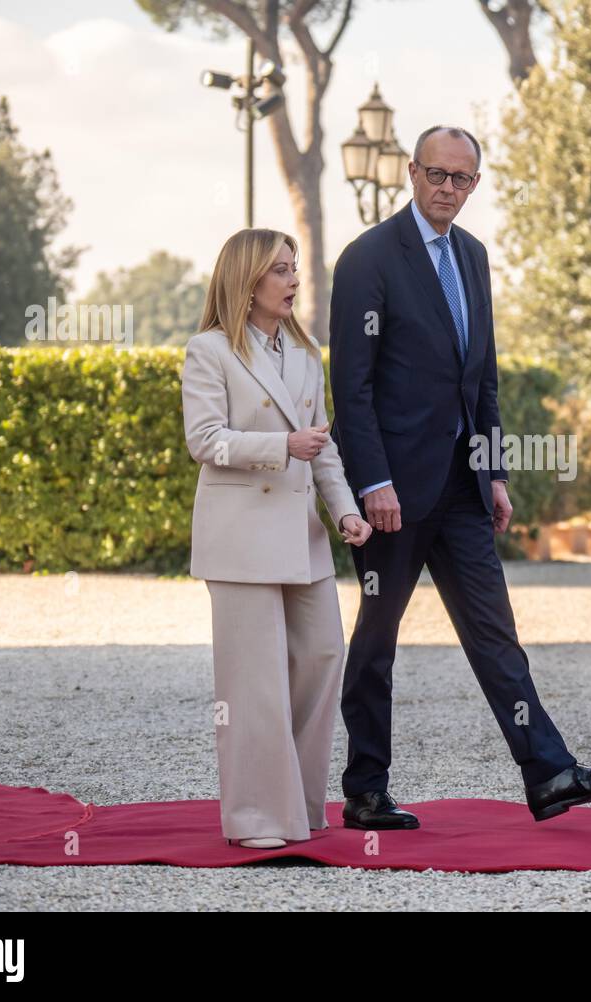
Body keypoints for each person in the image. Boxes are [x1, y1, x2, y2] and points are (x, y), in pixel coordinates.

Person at [329, 125, 591, 827]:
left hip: (463, 488)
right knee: (377, 638)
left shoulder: (473, 256)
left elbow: (483, 378)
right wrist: (371, 482)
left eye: (461, 179)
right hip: (393, 495)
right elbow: (352, 387)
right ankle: (365, 790)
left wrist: (493, 471)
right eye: (436, 174)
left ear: (475, 184)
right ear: (411, 172)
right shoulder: (367, 259)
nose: (447, 188)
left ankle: (549, 773)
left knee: (496, 634)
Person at [182, 228, 372, 849]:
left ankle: (300, 805)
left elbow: (323, 452)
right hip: (239, 541)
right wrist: (279, 447)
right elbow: (204, 440)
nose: (294, 281)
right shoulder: (208, 351)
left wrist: (345, 512)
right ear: (248, 279)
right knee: (253, 685)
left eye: (295, 270)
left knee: (322, 657)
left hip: (303, 538)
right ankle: (258, 818)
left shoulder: (305, 356)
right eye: (281, 271)